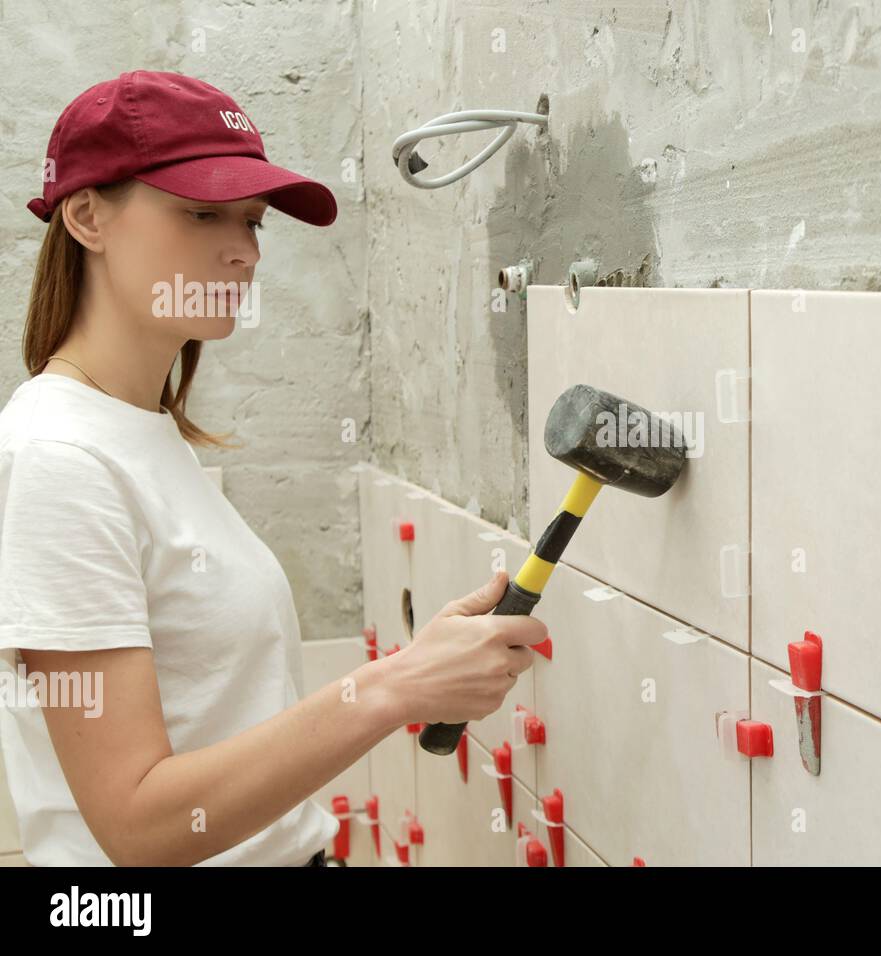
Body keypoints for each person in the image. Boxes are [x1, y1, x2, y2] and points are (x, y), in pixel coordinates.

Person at [0, 70, 543, 866]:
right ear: (87, 216)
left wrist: (417, 669)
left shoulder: (141, 432)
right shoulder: (60, 458)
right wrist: (396, 688)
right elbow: (138, 826)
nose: (244, 251)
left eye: (253, 221)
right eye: (202, 212)